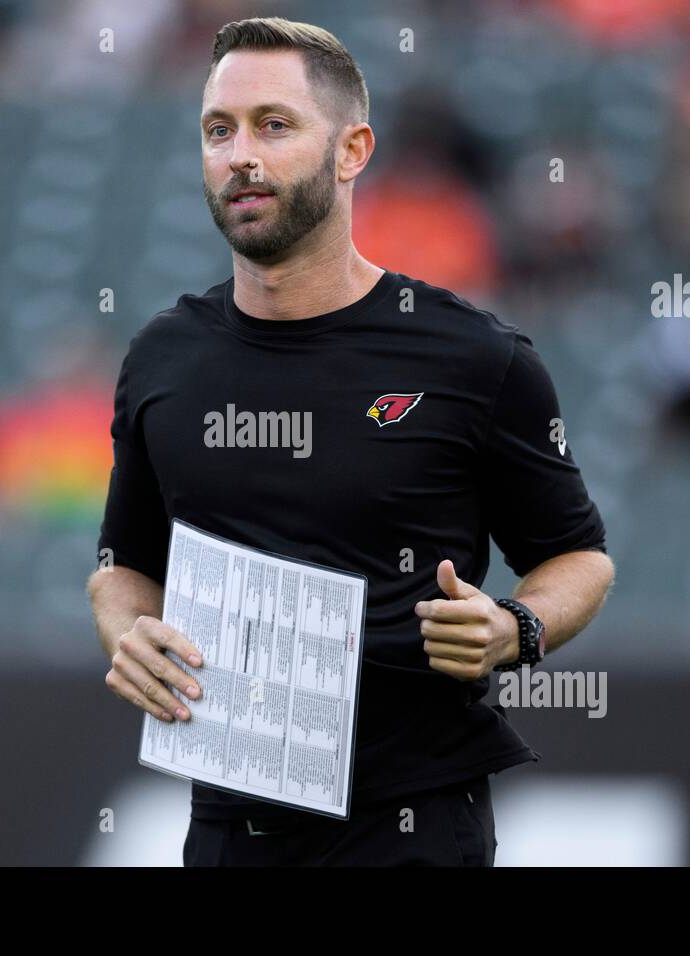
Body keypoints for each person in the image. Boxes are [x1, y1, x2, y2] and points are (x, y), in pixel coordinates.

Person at [87, 17, 615, 866]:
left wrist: (514, 627)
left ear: (352, 150)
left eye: (275, 124)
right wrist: (129, 633)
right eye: (218, 130)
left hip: (410, 829)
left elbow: (582, 558)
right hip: (227, 833)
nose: (240, 155)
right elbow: (124, 567)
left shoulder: (473, 358)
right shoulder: (162, 360)